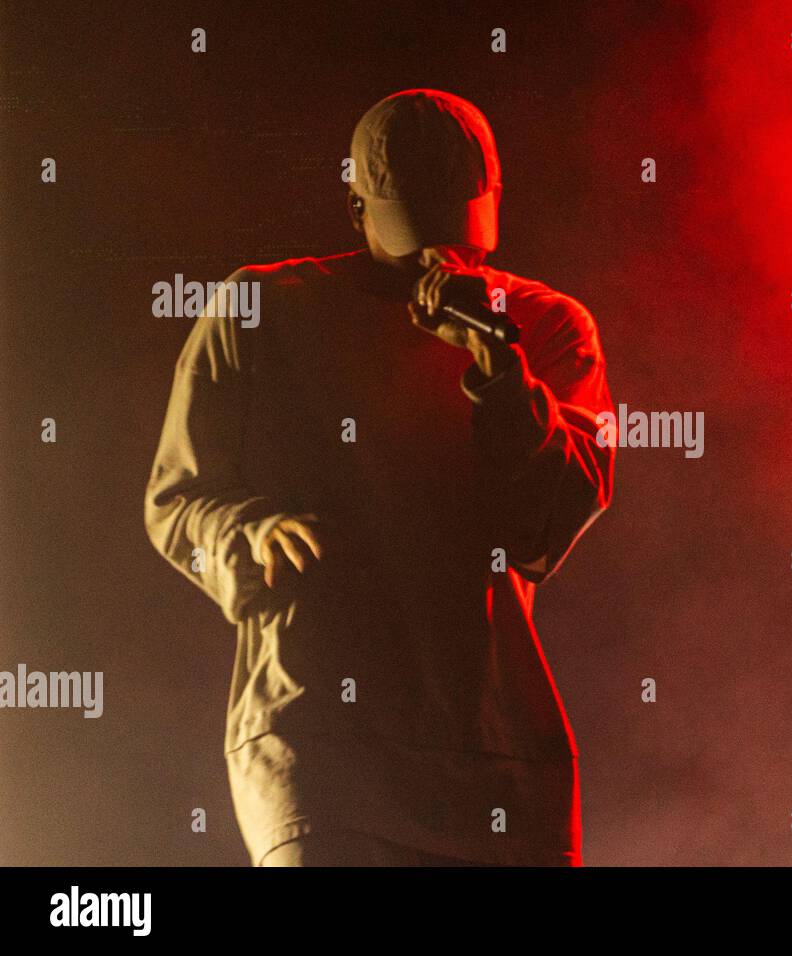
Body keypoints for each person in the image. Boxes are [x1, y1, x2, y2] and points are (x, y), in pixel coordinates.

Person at [143, 88, 615, 866]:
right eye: (412, 234)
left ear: (492, 206)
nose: (434, 259)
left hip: (495, 751)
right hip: (321, 740)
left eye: (452, 234)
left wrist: (500, 368)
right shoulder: (259, 310)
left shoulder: (550, 326)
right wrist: (247, 531)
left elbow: (544, 531)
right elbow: (177, 500)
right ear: (355, 208)